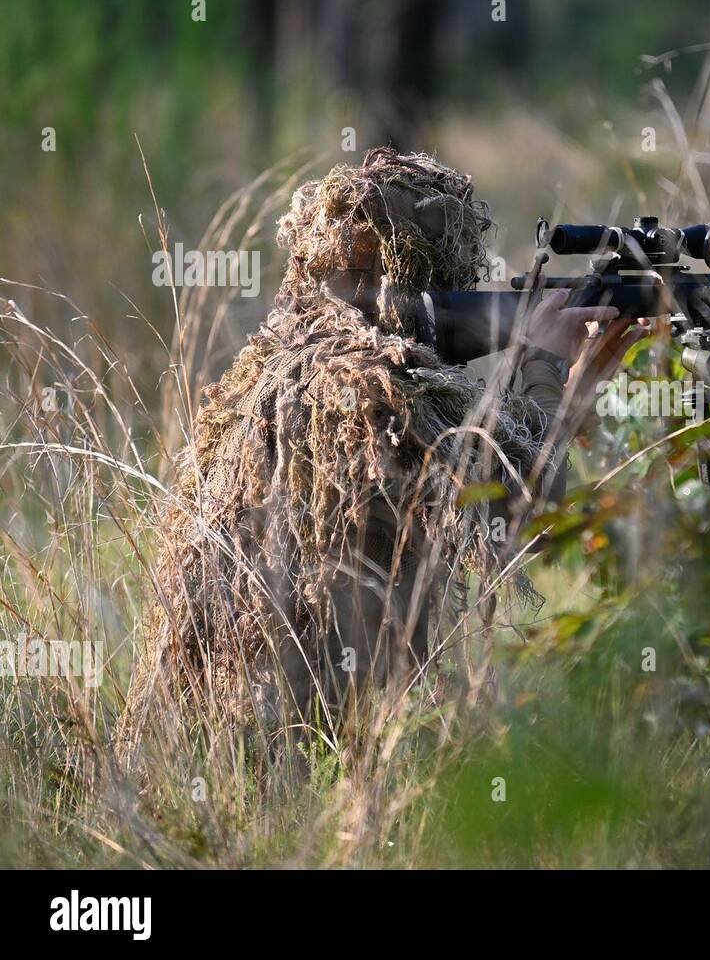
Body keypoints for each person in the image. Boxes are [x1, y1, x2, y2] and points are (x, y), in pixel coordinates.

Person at [115, 148, 645, 764]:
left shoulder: (274, 367)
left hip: (232, 727)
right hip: (304, 735)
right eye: (456, 280)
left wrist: (566, 392)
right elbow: (527, 523)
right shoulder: (369, 383)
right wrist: (545, 368)